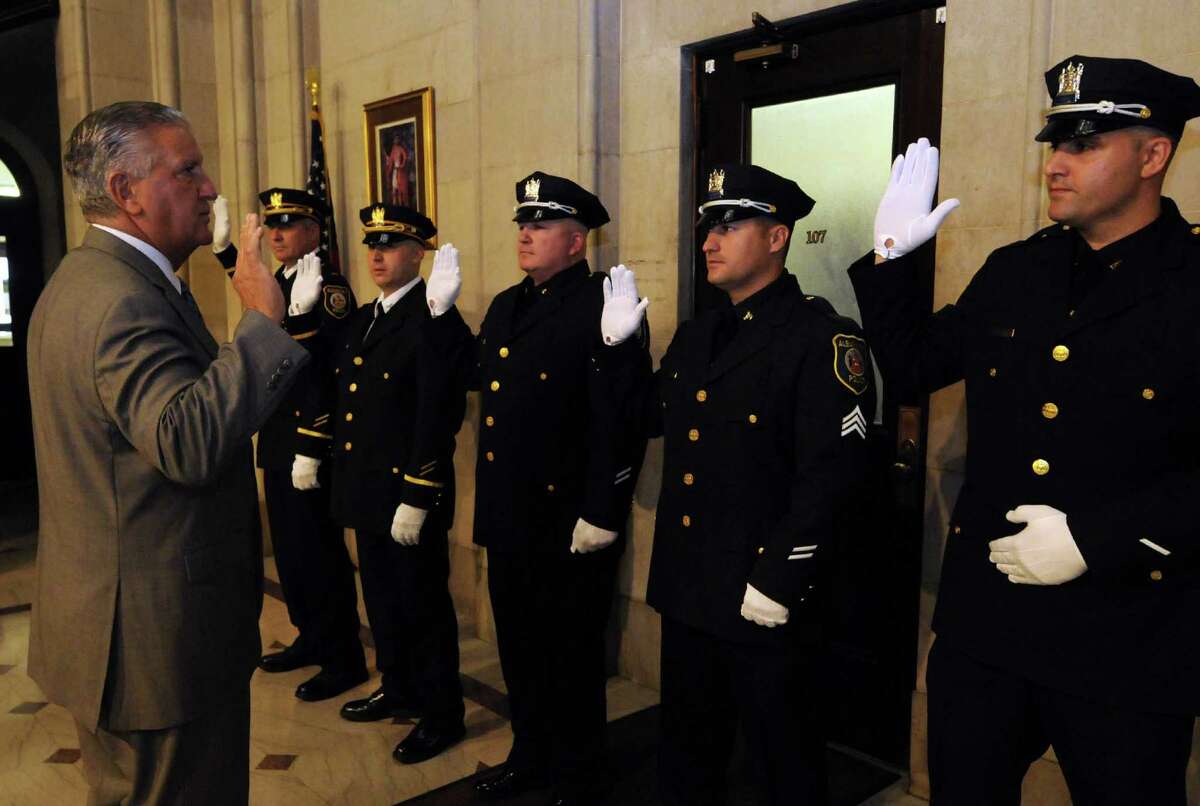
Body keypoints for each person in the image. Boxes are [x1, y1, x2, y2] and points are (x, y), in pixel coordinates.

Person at [847, 56, 1200, 805]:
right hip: (989, 630)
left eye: (1084, 143)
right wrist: (890, 259)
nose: (1057, 163)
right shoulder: (1017, 271)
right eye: (1054, 142)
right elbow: (912, 368)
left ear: (1154, 154)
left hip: (1129, 635)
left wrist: (1095, 540)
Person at [26, 101, 308, 804]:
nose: (210, 187)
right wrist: (262, 324)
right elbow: (186, 441)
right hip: (154, 638)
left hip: (113, 621)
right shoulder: (123, 299)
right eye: (188, 171)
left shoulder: (82, 279)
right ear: (126, 191)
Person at [603, 164, 876, 805]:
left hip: (766, 587)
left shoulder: (820, 337)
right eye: (708, 228)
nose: (709, 241)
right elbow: (648, 420)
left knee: (783, 759)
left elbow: (835, 475)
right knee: (688, 748)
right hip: (693, 582)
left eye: (729, 225)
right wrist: (619, 352)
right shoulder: (701, 333)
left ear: (778, 237)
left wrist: (782, 577)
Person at [424, 172, 651, 805]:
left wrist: (604, 506)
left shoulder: (606, 301)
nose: (525, 234)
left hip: (569, 520)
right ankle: (531, 756)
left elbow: (623, 415)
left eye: (541, 225)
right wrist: (439, 318)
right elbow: (468, 375)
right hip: (509, 514)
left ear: (577, 242)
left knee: (571, 658)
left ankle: (578, 775)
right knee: (521, 651)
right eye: (523, 224)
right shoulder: (506, 305)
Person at [328, 203, 473, 763]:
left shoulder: (437, 318)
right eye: (372, 246)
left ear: (419, 255)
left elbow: (440, 410)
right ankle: (399, 686)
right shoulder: (366, 316)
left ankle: (441, 713)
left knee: (422, 606)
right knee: (384, 601)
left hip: (409, 492)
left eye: (391, 246)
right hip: (367, 490)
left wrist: (419, 490)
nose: (378, 255)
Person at [208, 187, 366, 701]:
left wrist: (311, 444)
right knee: (294, 553)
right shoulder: (283, 278)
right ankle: (311, 636)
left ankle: (343, 658)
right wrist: (226, 251)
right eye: (272, 225)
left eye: (290, 225)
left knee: (320, 552)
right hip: (279, 439)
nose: (277, 234)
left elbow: (328, 371)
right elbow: (257, 298)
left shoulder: (330, 287)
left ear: (315, 233)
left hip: (310, 444)